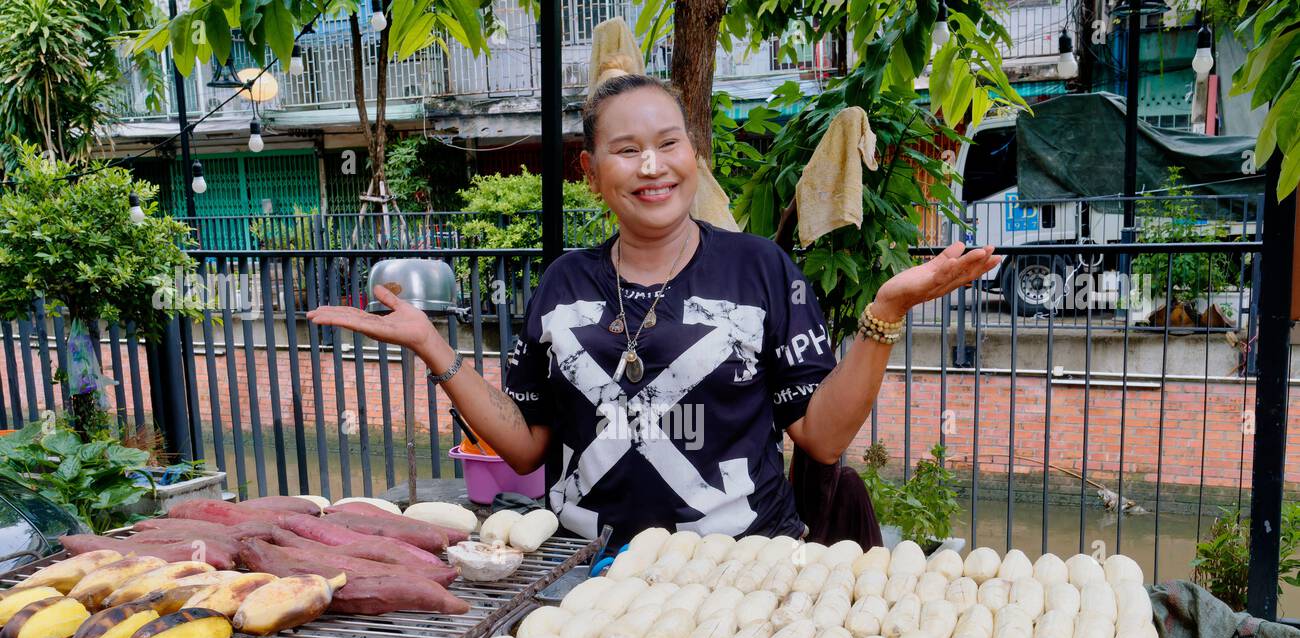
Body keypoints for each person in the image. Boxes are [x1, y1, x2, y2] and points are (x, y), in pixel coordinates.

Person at [308, 72, 1000, 548]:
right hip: (591, 573)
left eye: (669, 143)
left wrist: (884, 313)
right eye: (627, 150)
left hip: (744, 565)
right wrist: (435, 346)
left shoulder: (760, 268)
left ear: (693, 154)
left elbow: (820, 438)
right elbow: (523, 447)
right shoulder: (562, 284)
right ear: (590, 171)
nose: (652, 166)